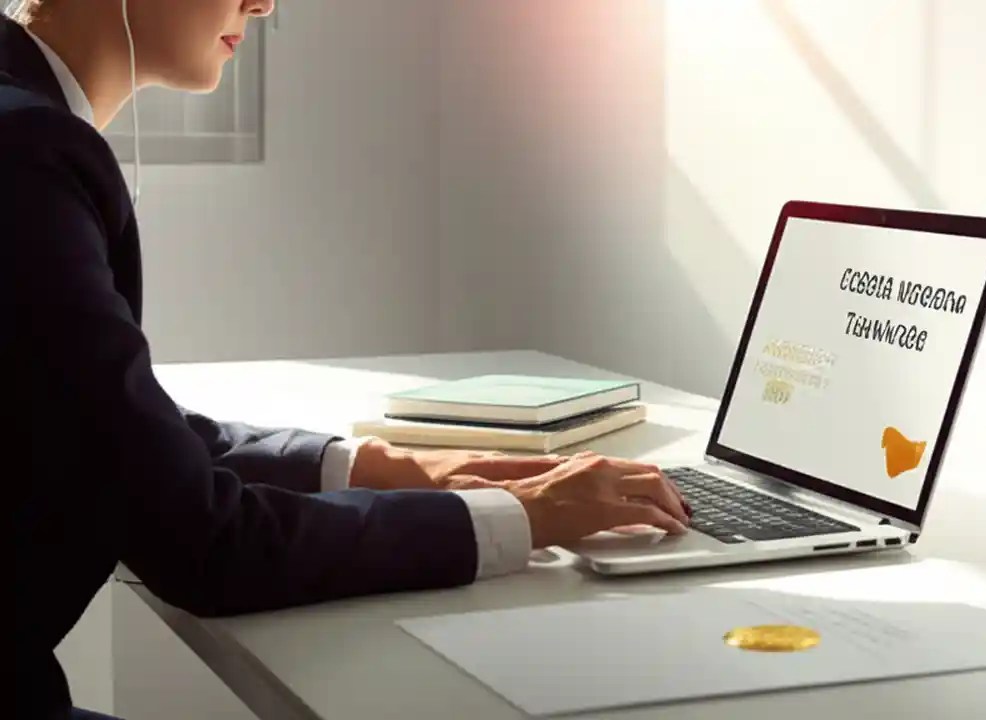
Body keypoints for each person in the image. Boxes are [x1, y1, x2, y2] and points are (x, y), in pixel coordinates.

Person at [3, 2, 691, 717]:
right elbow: (202, 545)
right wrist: (517, 516)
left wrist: (368, 465)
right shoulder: (25, 153)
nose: (263, 2)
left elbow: (106, 428)